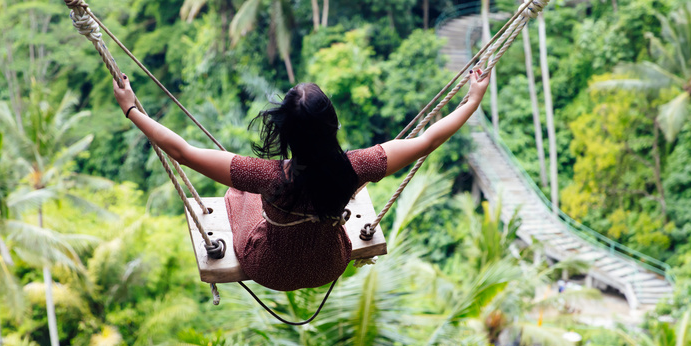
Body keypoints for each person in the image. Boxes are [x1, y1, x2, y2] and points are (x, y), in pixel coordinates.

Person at [113, 67, 491, 291]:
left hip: (268, 269)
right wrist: (471, 101)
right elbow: (427, 140)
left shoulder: (264, 175)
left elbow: (182, 152)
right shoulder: (357, 167)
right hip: (330, 264)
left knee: (236, 193)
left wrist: (132, 109)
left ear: (286, 133)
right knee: (337, 194)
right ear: (333, 125)